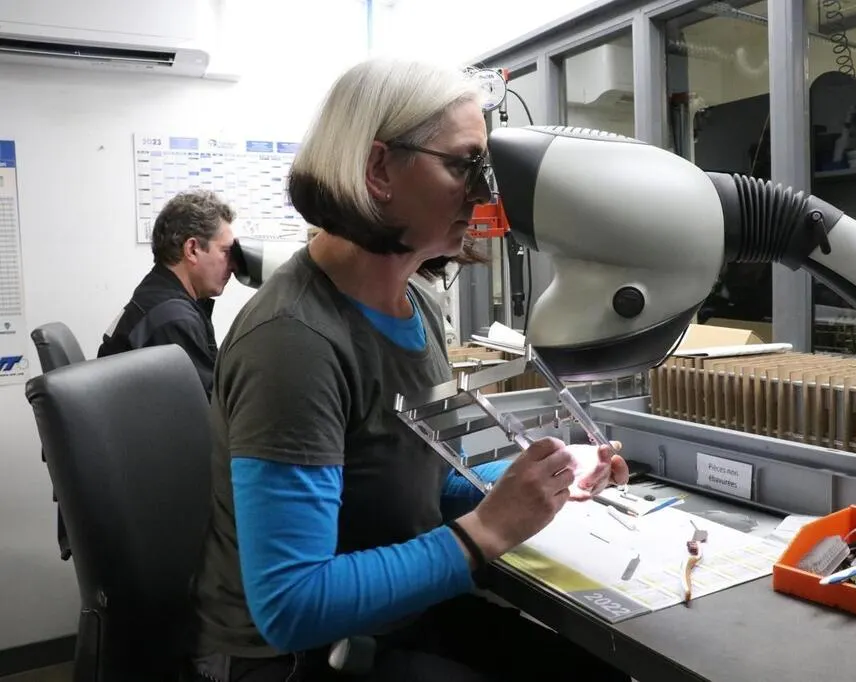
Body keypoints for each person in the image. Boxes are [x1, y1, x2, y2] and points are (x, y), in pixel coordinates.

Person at [188, 57, 631, 682]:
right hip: (295, 657)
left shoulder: (418, 301)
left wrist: (542, 476)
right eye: (462, 165)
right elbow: (291, 604)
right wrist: (488, 529)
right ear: (378, 169)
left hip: (395, 615)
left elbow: (433, 474)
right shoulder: (294, 342)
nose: (484, 193)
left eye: (486, 169)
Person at [98, 190, 236, 399]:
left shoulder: (157, 292)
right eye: (226, 252)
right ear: (192, 249)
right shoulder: (172, 319)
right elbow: (208, 411)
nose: (233, 265)